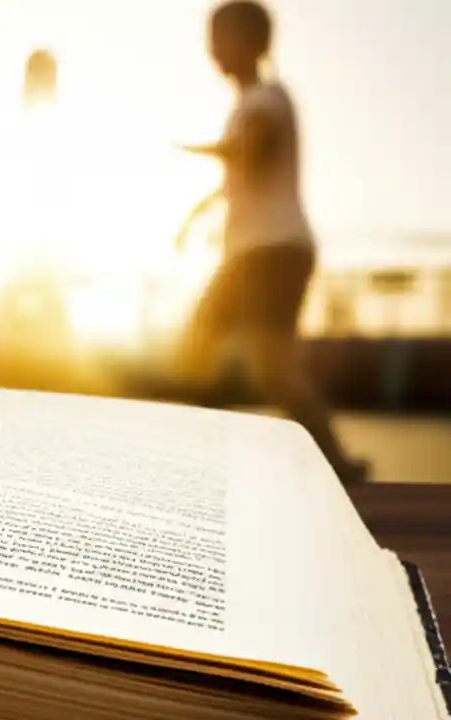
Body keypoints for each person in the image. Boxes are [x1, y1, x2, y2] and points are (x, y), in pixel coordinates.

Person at [180, 0, 368, 484]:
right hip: (262, 250)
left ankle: (335, 464)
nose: (212, 50)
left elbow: (253, 152)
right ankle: (333, 462)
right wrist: (191, 220)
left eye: (220, 37)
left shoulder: (267, 99)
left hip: (272, 250)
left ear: (251, 43)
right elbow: (235, 180)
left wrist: (199, 148)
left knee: (251, 356)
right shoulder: (248, 104)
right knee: (251, 358)